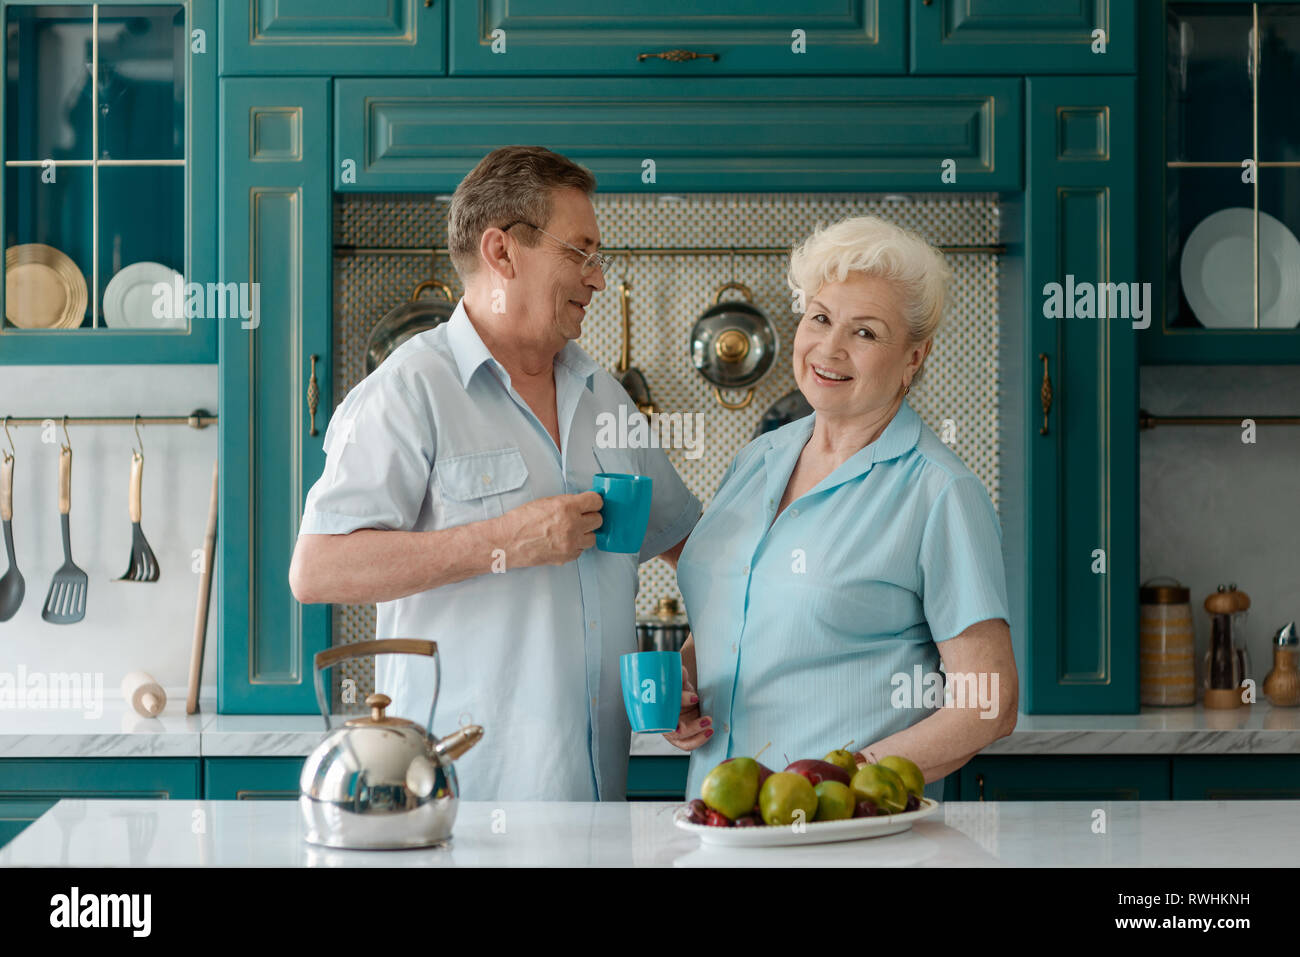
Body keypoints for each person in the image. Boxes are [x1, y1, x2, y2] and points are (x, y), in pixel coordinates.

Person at [289, 146, 701, 802]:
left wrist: (697, 660)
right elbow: (317, 571)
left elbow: (697, 546)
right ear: (503, 252)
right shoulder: (409, 391)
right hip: (462, 808)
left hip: (599, 810)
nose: (597, 278)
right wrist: (504, 539)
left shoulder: (605, 396)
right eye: (580, 252)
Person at [666, 215, 1018, 805]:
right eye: (820, 318)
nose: (829, 348)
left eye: (866, 333)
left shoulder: (938, 492)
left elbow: (990, 704)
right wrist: (688, 684)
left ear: (913, 358)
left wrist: (844, 775)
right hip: (722, 820)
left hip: (850, 831)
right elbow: (739, 607)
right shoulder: (757, 459)